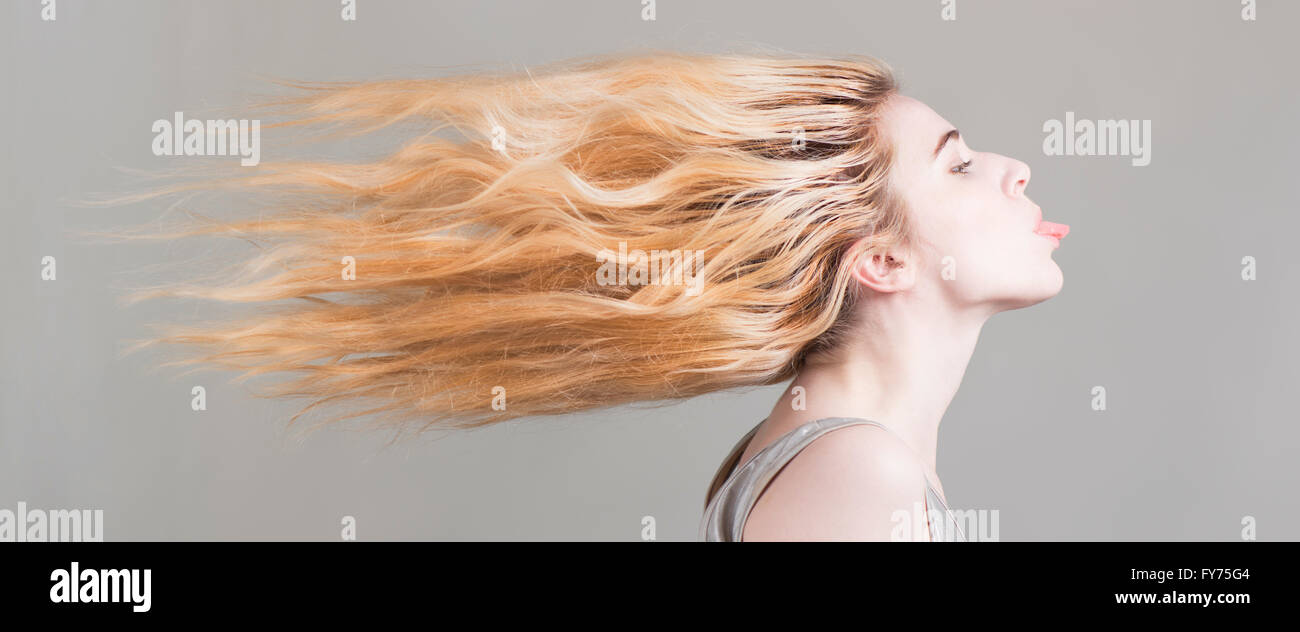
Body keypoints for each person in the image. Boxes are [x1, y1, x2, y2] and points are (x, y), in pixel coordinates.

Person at [119, 50, 1068, 540]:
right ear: (884, 262)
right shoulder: (862, 473)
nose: (1015, 171)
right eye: (962, 165)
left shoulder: (845, 453)